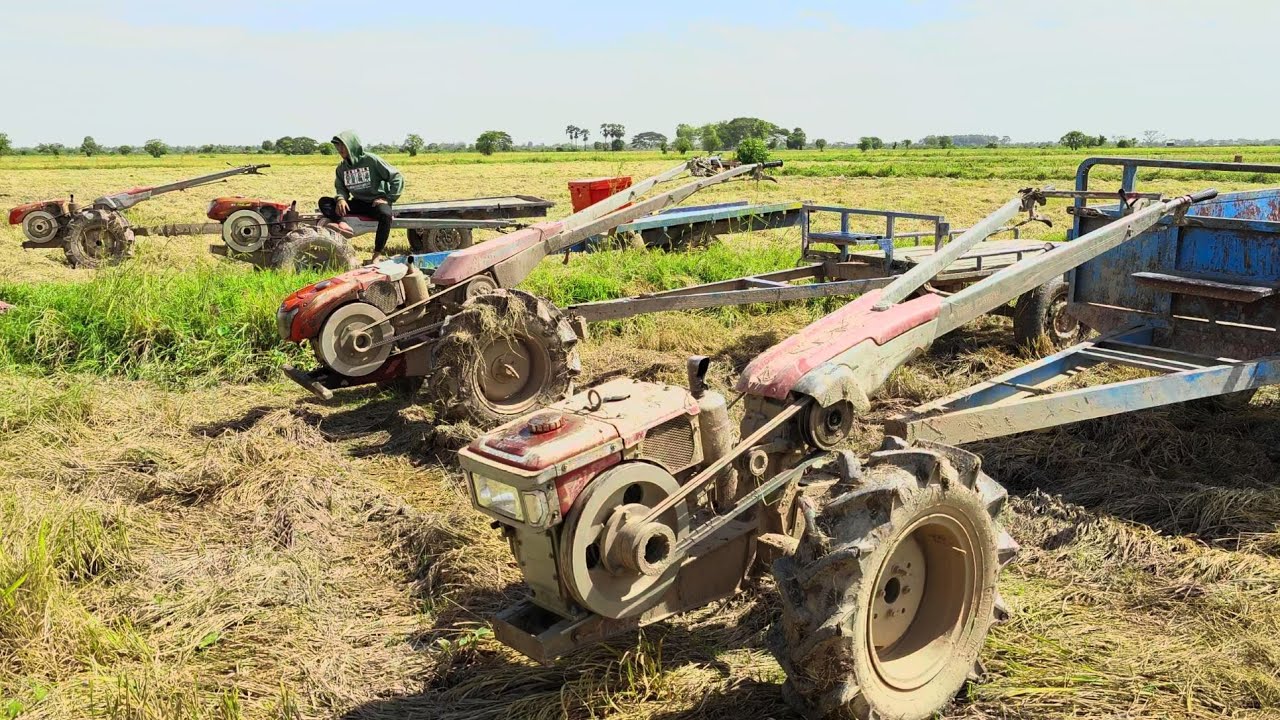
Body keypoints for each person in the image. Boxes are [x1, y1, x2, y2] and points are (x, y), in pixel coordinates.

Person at [327, 130, 404, 264]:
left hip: (376, 203)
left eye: (343, 145)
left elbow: (396, 177)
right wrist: (341, 198)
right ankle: (342, 224)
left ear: (352, 145)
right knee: (325, 202)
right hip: (359, 202)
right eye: (337, 146)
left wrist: (388, 198)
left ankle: (377, 254)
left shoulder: (371, 160)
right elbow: (341, 188)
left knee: (386, 215)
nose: (340, 149)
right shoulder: (341, 168)